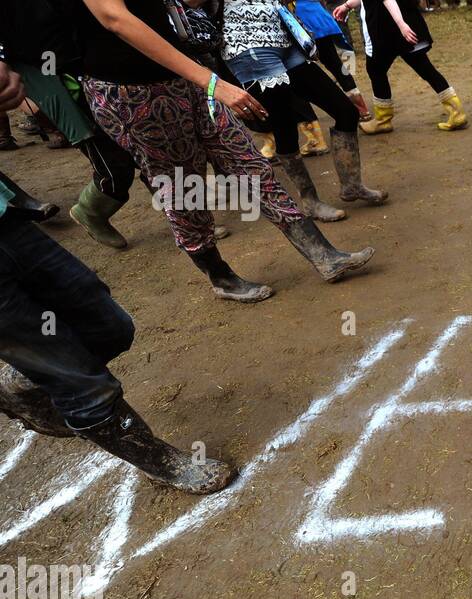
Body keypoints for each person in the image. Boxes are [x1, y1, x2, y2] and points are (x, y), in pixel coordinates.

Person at [0, 57, 236, 496]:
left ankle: (27, 378)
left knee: (108, 325)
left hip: (4, 220)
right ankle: (155, 458)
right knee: (78, 379)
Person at [78, 0, 374, 303]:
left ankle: (324, 255)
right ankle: (220, 276)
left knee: (251, 164)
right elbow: (115, 18)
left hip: (189, 76)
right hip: (133, 91)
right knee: (183, 188)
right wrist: (211, 81)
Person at [215, 0, 388, 223]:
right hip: (248, 48)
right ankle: (310, 201)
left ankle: (352, 186)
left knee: (346, 111)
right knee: (285, 125)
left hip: (285, 38)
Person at [0, 0, 140, 248]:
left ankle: (188, 220)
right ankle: (91, 210)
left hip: (93, 50)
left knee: (145, 142)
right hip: (48, 63)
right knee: (113, 163)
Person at [334, 0, 468, 134]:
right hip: (399, 25)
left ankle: (383, 120)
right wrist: (348, 5)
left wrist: (401, 24)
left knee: (376, 70)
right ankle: (457, 112)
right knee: (424, 69)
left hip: (388, 29)